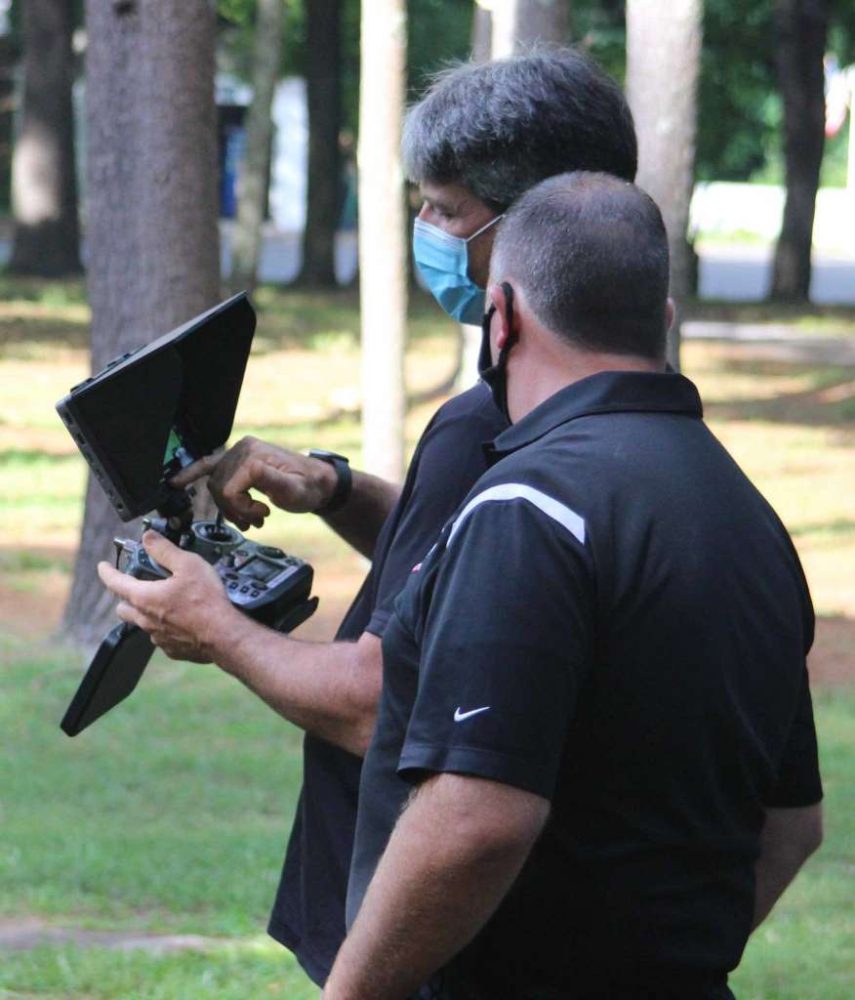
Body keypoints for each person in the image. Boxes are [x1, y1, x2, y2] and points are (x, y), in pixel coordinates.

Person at [97, 50, 639, 986]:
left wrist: (216, 628)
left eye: (444, 209)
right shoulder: (597, 414)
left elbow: (382, 708)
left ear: (535, 224)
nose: (420, 230)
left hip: (436, 945)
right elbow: (460, 577)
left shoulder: (510, 439)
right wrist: (338, 490)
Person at [322, 172, 824, 1000]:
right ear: (660, 321)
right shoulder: (744, 514)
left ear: (503, 315)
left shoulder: (529, 505)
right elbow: (791, 823)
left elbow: (476, 819)